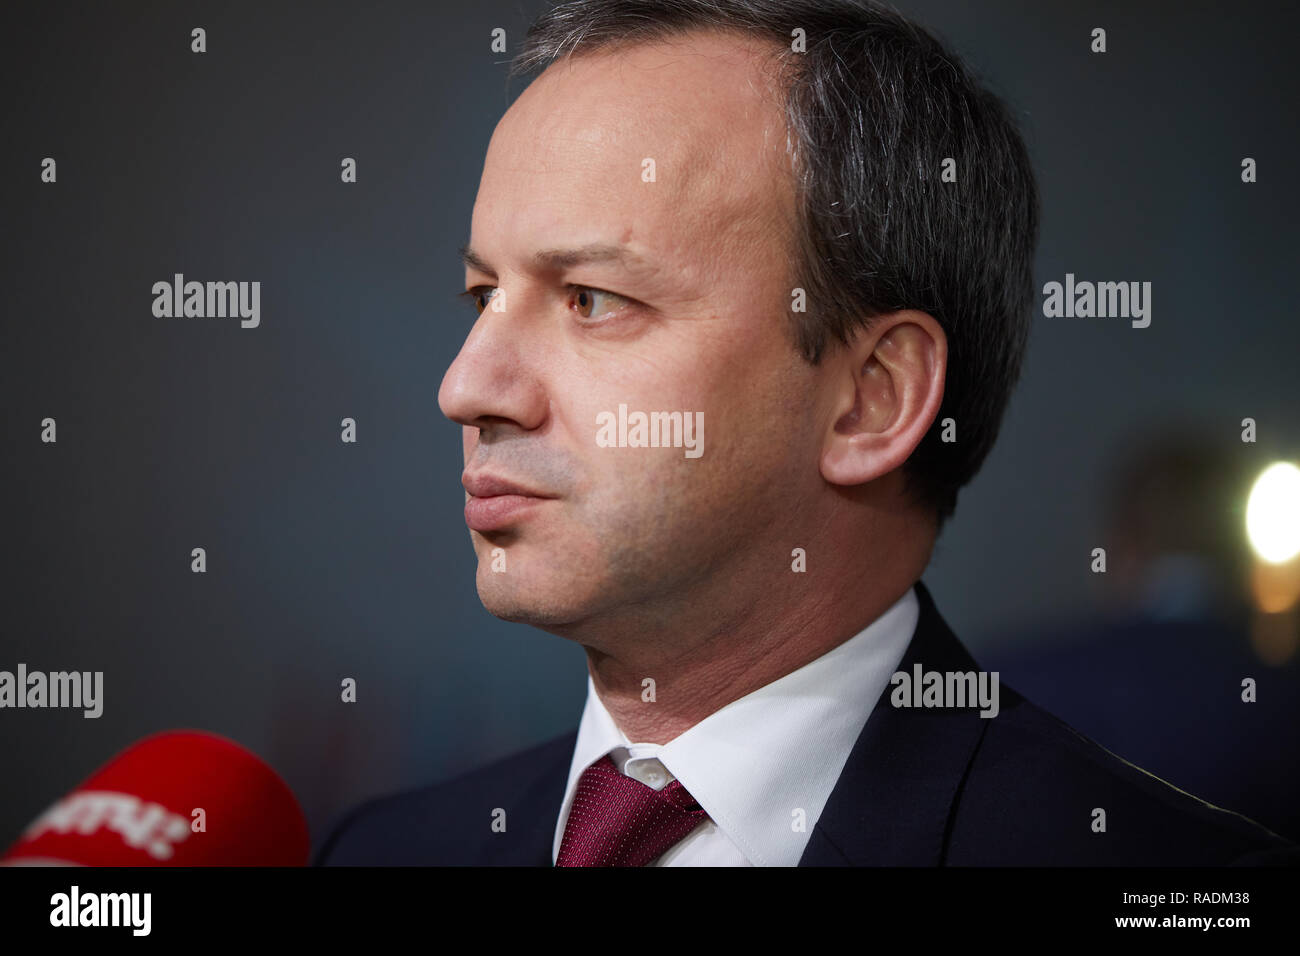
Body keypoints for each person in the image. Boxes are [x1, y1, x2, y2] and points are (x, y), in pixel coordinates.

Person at [318, 0, 1291, 866]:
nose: (465, 387)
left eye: (592, 299)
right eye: (482, 293)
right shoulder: (385, 849)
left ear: (870, 398)